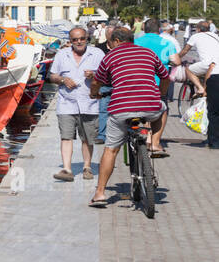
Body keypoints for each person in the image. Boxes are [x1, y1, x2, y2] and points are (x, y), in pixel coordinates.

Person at [89, 27, 169, 207]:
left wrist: (94, 94)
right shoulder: (148, 53)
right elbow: (165, 77)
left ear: (116, 41)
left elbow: (97, 81)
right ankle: (155, 144)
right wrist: (160, 94)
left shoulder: (110, 57)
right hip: (150, 106)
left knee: (111, 150)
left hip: (121, 110)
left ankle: (100, 193)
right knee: (162, 108)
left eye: (110, 43)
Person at [48, 26, 103, 181]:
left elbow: (106, 75)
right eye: (75, 40)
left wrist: (94, 75)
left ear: (87, 38)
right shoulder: (61, 54)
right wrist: (63, 79)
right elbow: (52, 76)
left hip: (89, 102)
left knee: (87, 138)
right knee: (66, 136)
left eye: (82, 39)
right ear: (70, 41)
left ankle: (87, 167)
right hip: (67, 103)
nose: (79, 42)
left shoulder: (97, 54)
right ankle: (66, 169)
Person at [173, 20, 219, 148]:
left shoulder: (195, 36)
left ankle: (199, 88)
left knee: (189, 69)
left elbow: (185, 51)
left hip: (209, 66)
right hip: (214, 65)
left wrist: (177, 57)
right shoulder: (215, 36)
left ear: (198, 29)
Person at [134, 18, 174, 152]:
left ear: (144, 29)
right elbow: (176, 60)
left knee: (143, 109)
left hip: (139, 82)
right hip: (158, 83)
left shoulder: (136, 42)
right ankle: (155, 143)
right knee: (161, 109)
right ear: (160, 30)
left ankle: (146, 138)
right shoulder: (166, 42)